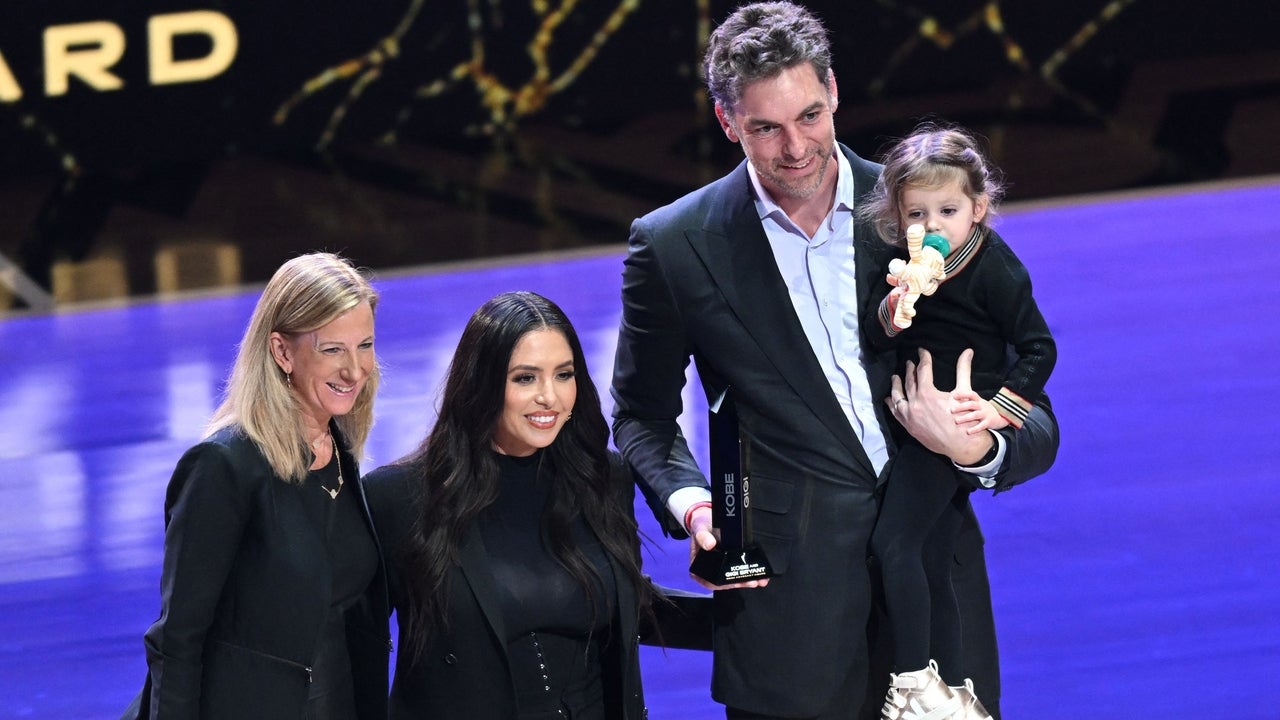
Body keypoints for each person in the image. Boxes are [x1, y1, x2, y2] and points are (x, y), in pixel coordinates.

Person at [608, 3, 1059, 719]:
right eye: (765, 127)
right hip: (789, 622)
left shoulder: (927, 212)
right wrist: (695, 507)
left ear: (835, 92)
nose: (796, 148)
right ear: (728, 122)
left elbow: (1036, 418)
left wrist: (976, 444)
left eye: (810, 116)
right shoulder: (673, 246)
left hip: (941, 617)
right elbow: (640, 416)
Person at [363, 290, 710, 720]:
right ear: (481, 383)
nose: (550, 397)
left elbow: (623, 607)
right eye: (525, 378)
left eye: (563, 375)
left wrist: (746, 612)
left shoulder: (601, 478)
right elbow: (351, 644)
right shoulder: (400, 496)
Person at [122, 252, 389, 719]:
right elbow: (177, 640)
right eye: (332, 349)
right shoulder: (225, 465)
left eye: (364, 345)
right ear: (282, 351)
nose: (355, 369)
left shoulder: (338, 444)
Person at [859, 124, 1057, 719]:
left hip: (947, 424)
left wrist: (1001, 411)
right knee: (931, 552)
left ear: (979, 206)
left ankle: (914, 681)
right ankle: (951, 692)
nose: (932, 225)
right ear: (897, 215)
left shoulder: (996, 268)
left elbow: (1039, 348)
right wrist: (892, 315)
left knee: (896, 544)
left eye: (948, 209)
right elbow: (879, 333)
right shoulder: (903, 261)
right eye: (917, 213)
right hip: (916, 420)